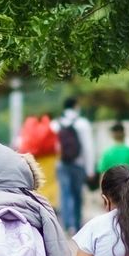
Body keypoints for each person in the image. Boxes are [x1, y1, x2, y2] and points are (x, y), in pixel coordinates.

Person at [55, 100, 92, 233]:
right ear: (76, 106)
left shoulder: (56, 124)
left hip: (62, 164)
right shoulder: (82, 123)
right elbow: (88, 147)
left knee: (65, 194)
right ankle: (76, 224)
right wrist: (90, 169)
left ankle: (66, 225)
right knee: (77, 195)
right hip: (79, 164)